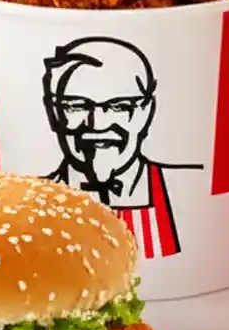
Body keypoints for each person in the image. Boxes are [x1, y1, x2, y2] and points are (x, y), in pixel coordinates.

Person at [42, 37, 198, 258]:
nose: (98, 123)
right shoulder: (26, 202)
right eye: (77, 106)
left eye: (118, 106)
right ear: (54, 112)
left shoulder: (195, 187)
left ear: (146, 112)